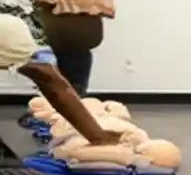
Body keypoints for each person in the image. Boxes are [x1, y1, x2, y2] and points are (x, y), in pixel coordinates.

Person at [0, 15, 118, 146]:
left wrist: (98, 137)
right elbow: (54, 85)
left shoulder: (14, 34)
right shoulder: (10, 34)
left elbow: (54, 87)